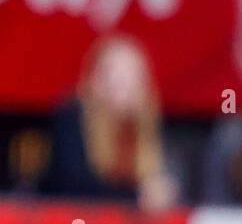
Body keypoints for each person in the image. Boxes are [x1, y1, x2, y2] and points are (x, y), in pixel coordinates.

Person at [40, 34, 178, 211]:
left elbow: (164, 180)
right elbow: (75, 190)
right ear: (95, 79)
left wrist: (163, 193)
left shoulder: (148, 125)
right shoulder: (72, 117)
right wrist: (137, 197)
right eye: (113, 73)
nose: (122, 82)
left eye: (131, 74)